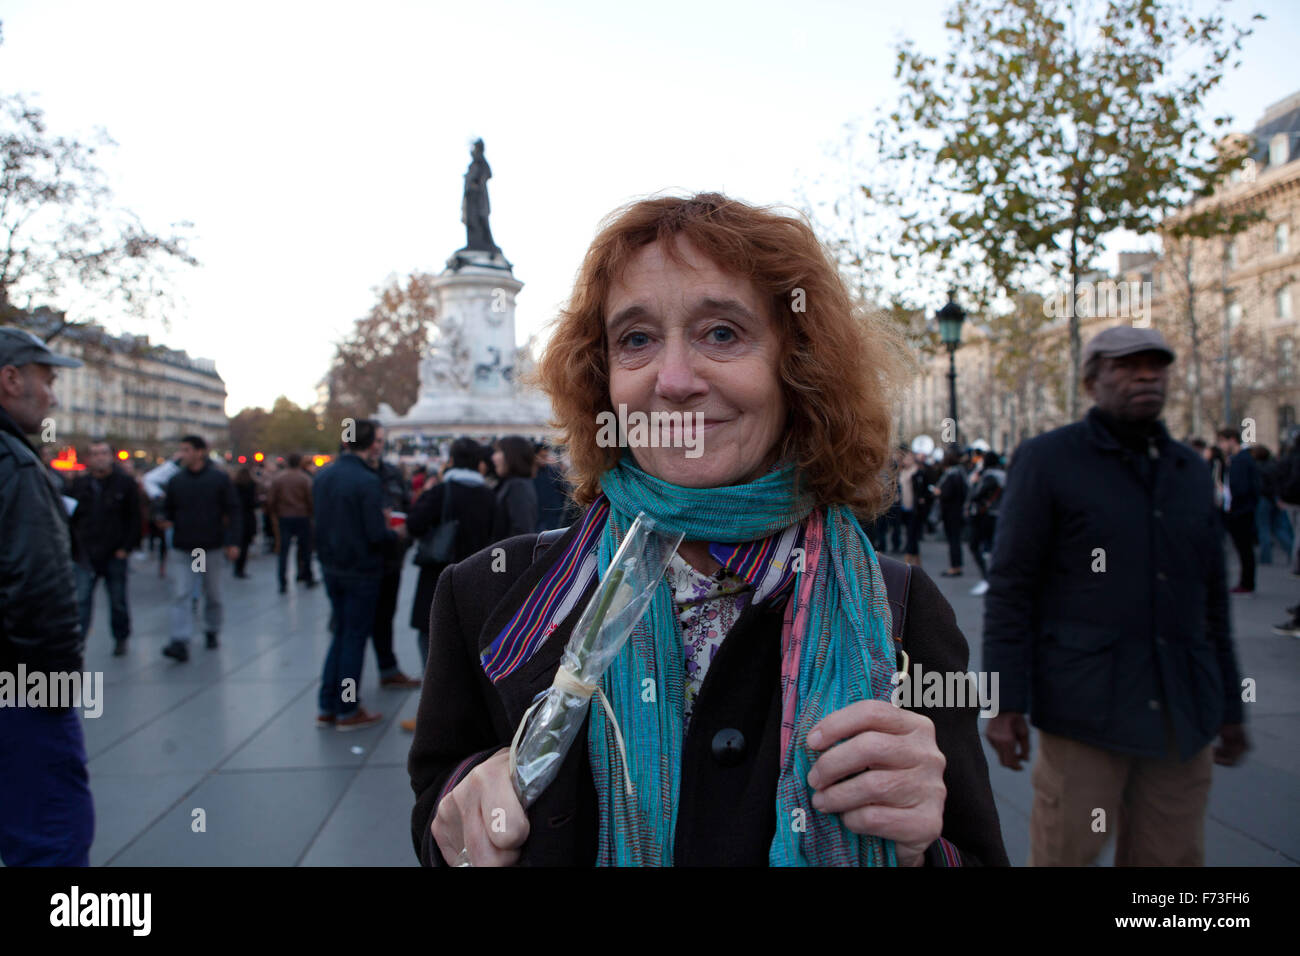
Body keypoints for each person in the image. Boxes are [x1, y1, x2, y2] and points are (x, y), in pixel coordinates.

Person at [408, 193, 1007, 867]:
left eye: (721, 333)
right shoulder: (487, 598)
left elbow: (976, 853)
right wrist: (462, 810)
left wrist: (922, 851)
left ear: (798, 367)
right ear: (602, 379)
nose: (674, 380)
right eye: (635, 340)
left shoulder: (901, 611)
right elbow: (435, 807)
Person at [983, 325, 1248, 866]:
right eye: (1126, 365)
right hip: (1086, 711)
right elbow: (1011, 588)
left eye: (1156, 364)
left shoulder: (1190, 472)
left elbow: (1212, 601)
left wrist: (1230, 706)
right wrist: (1006, 702)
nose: (1146, 374)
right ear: (1091, 380)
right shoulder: (1048, 460)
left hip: (1182, 712)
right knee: (1065, 854)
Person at [0, 326, 94, 865]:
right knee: (51, 837)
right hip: (22, 689)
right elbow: (41, 592)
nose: (53, 395)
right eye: (47, 378)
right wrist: (56, 690)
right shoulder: (15, 467)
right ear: (10, 379)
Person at [400, 437, 497, 732]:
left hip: (438, 577)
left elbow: (414, 524)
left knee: (431, 644)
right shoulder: (488, 495)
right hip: (476, 579)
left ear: (451, 461)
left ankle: (431, 717)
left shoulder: (442, 492)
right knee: (467, 645)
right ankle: (466, 716)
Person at [313, 418, 404, 731]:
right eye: (378, 439)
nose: (381, 444)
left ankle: (327, 705)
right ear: (369, 443)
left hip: (331, 565)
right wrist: (395, 531)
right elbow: (376, 534)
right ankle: (347, 708)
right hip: (361, 569)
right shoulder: (366, 481)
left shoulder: (323, 476)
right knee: (353, 638)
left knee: (339, 634)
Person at [160, 435, 241, 662]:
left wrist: (233, 541)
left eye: (186, 450)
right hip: (184, 546)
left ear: (199, 452)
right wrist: (164, 519)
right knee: (181, 593)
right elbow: (168, 510)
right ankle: (180, 639)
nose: (182, 455)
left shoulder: (218, 479)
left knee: (212, 593)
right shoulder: (177, 481)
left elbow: (233, 510)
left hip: (210, 546)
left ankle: (212, 629)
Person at [69, 439, 142, 656]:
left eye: (103, 453)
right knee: (82, 600)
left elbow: (134, 517)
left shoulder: (124, 483)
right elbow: (69, 517)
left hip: (114, 551)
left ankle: (121, 637)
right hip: (85, 553)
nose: (99, 457)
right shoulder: (79, 485)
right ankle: (78, 641)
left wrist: (126, 547)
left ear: (110, 456)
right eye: (94, 453)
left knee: (117, 599)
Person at [369, 424, 420, 689]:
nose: (377, 445)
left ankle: (387, 668)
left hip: (391, 557)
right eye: (374, 440)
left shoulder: (391, 473)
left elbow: (407, 506)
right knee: (353, 628)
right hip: (363, 561)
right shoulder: (360, 477)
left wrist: (405, 535)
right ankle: (344, 703)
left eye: (380, 440)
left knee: (385, 615)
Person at [1216, 426, 1261, 594]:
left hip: (1240, 511)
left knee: (1244, 549)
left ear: (1232, 440)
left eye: (1222, 441)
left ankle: (1246, 582)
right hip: (1240, 509)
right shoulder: (1238, 459)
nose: (1220, 446)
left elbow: (1241, 487)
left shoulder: (1241, 460)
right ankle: (1246, 582)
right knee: (1243, 549)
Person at [267, 452, 316, 593]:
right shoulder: (304, 479)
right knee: (305, 549)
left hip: (285, 516)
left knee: (284, 551)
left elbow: (271, 499)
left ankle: (282, 582)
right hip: (302, 516)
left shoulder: (279, 478)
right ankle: (307, 577)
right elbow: (310, 499)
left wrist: (275, 512)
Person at [965, 450, 1004, 596]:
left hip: (986, 516)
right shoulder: (1004, 475)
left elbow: (977, 494)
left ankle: (987, 579)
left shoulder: (989, 477)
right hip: (999, 515)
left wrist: (974, 482)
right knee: (993, 548)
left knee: (975, 545)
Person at [489, 434, 539, 542]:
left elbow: (521, 532)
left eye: (498, 452)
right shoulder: (514, 483)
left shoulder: (517, 486)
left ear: (511, 455)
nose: (493, 457)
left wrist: (500, 558)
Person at [1250, 444, 1294, 566]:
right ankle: (1292, 552)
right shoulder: (1274, 465)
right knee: (1278, 528)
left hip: (1264, 499)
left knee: (1264, 528)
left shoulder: (1258, 468)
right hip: (1274, 498)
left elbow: (1262, 486)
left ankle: (1266, 557)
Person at [936, 450, 967, 576]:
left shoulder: (952, 475)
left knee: (953, 540)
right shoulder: (960, 474)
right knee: (955, 540)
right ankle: (956, 566)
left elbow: (947, 494)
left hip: (951, 512)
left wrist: (939, 492)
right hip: (956, 511)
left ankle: (955, 567)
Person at [533, 443, 569, 531]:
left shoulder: (553, 471)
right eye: (542, 456)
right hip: (538, 515)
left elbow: (564, 490)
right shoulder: (531, 473)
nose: (544, 460)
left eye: (546, 456)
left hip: (553, 515)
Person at [232, 466, 258, 578]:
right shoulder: (251, 485)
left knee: (239, 543)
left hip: (238, 517)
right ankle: (240, 568)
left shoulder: (234, 485)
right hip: (247, 518)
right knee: (245, 545)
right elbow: (253, 502)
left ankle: (236, 567)